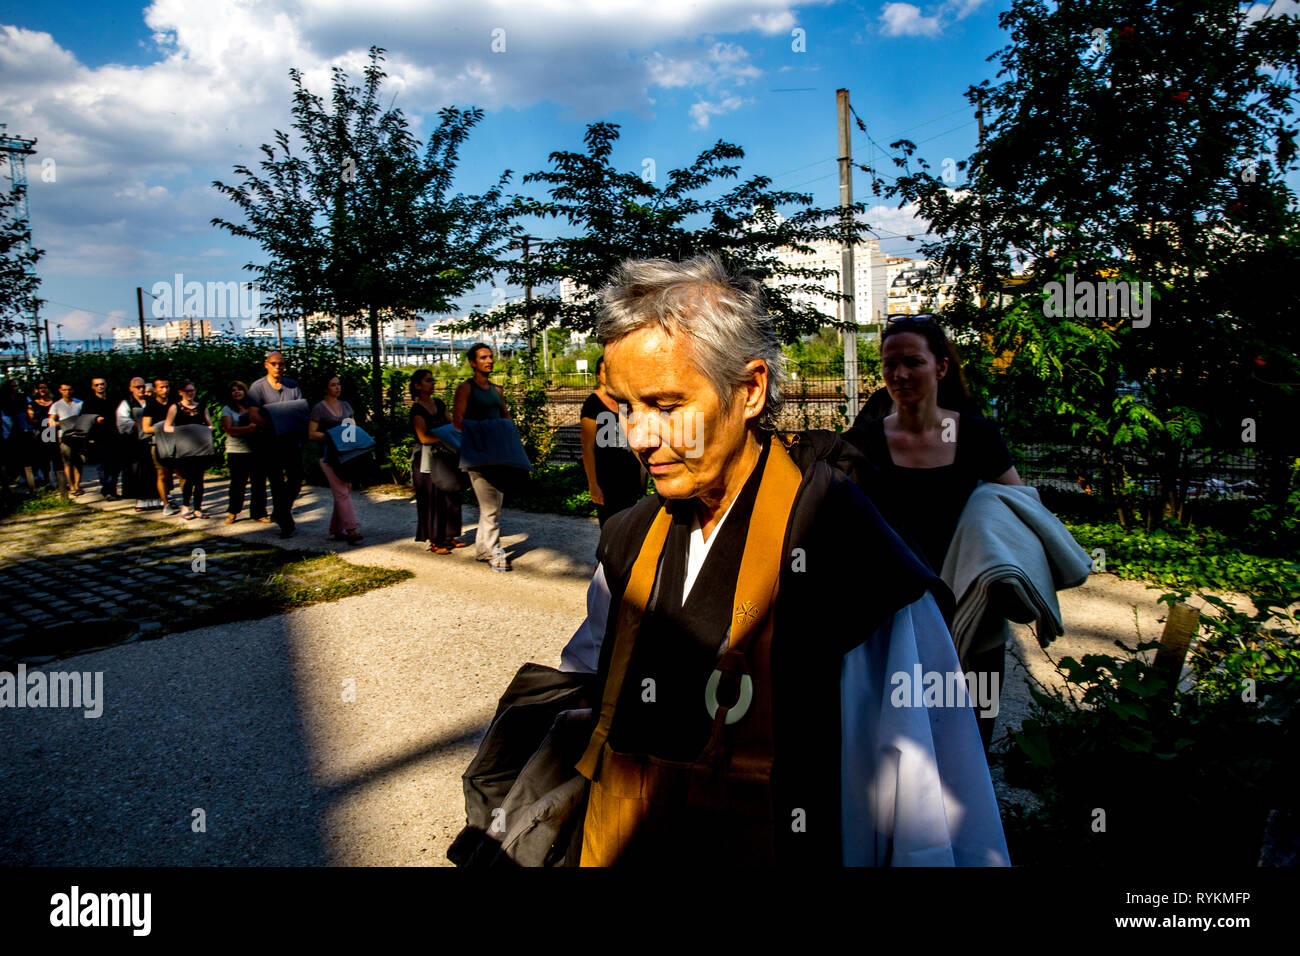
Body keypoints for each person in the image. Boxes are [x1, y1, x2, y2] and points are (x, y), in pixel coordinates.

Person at [555, 255, 1008, 867]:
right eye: (626, 408)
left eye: (665, 405)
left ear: (749, 390)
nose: (637, 437)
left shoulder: (846, 547)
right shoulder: (631, 537)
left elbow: (923, 785)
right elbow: (593, 669)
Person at [842, 314, 1022, 750]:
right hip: (891, 617)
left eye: (913, 362)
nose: (899, 374)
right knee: (898, 748)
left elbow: (1018, 511)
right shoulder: (861, 443)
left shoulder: (977, 436)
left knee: (970, 743)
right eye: (889, 364)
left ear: (941, 367)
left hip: (970, 616)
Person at [453, 343, 512, 571]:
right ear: (472, 363)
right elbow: (458, 422)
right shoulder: (465, 388)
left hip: (498, 453)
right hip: (477, 454)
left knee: (494, 505)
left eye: (490, 357)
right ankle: (494, 552)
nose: (489, 361)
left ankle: (484, 549)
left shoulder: (497, 391)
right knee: (489, 506)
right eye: (484, 357)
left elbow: (506, 418)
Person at [246, 351, 307, 539]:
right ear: (266, 365)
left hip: (290, 441)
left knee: (296, 479)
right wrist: (273, 424)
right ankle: (285, 523)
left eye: (281, 364)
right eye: (273, 363)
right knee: (277, 483)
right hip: (269, 442)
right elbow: (253, 414)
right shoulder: (258, 387)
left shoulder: (292, 385)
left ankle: (280, 510)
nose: (277, 367)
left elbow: (299, 410)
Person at [581, 355, 647, 527]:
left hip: (629, 475)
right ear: (597, 375)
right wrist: (593, 484)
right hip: (606, 478)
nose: (609, 375)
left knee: (629, 527)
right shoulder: (592, 404)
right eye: (604, 371)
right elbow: (587, 447)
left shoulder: (624, 401)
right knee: (610, 528)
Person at [409, 368, 464, 555]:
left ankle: (450, 535)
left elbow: (451, 424)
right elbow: (423, 437)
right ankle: (435, 540)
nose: (432, 383)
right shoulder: (417, 410)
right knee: (431, 499)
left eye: (433, 380)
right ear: (418, 386)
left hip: (445, 456)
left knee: (451, 494)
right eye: (428, 380)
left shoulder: (439, 404)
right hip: (425, 459)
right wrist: (443, 437)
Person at [306, 374, 362, 543]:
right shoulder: (319, 408)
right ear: (326, 388)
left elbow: (353, 427)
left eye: (338, 384)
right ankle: (351, 529)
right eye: (333, 385)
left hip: (345, 453)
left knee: (345, 489)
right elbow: (311, 433)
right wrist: (330, 436)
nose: (337, 388)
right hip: (328, 454)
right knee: (342, 492)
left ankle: (336, 530)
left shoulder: (345, 406)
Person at [163, 379, 213, 519]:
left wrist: (204, 429)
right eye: (187, 391)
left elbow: (210, 425)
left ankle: (198, 508)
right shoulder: (175, 407)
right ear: (181, 393)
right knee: (189, 478)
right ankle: (185, 506)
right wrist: (183, 430)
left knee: (199, 480)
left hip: (200, 447)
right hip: (184, 448)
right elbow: (167, 426)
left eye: (192, 390)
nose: (190, 393)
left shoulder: (201, 407)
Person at [220, 381, 268, 525]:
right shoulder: (227, 409)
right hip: (237, 451)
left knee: (259, 483)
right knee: (237, 484)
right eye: (233, 390)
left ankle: (259, 513)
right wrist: (248, 428)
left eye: (240, 389)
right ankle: (233, 512)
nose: (237, 392)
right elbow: (229, 429)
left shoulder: (254, 408)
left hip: (255, 449)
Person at [115, 377, 156, 511]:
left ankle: (156, 497)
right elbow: (122, 421)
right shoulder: (126, 403)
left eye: (142, 386)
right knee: (138, 471)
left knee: (154, 470)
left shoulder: (151, 401)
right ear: (131, 388)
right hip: (135, 441)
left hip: (152, 439)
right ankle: (141, 498)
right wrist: (138, 426)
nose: (141, 389)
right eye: (137, 387)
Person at [141, 377, 178, 515]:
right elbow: (146, 428)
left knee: (181, 473)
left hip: (176, 442)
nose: (165, 390)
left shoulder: (175, 404)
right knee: (161, 474)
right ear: (155, 390)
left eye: (167, 387)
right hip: (158, 443)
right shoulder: (150, 406)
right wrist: (163, 427)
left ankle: (186, 503)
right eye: (161, 387)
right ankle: (166, 504)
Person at [80, 375, 119, 500]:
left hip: (114, 435)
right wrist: (95, 419)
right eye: (97, 385)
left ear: (106, 385)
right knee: (103, 465)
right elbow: (84, 418)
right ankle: (107, 489)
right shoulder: (89, 402)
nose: (100, 386)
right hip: (98, 437)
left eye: (102, 384)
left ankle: (112, 488)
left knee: (115, 465)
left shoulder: (113, 399)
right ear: (93, 387)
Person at [49, 382, 85, 496]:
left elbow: (86, 417)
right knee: (67, 461)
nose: (67, 392)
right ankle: (71, 486)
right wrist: (62, 423)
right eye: (64, 390)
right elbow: (50, 422)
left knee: (79, 461)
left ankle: (78, 485)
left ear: (72, 390)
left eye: (69, 389)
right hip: (64, 436)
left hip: (79, 435)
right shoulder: (56, 405)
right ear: (60, 391)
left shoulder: (79, 403)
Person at [27, 382, 61, 491]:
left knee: (57, 457)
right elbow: (30, 419)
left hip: (54, 431)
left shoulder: (54, 403)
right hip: (41, 432)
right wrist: (44, 422)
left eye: (45, 388)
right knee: (44, 459)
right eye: (40, 388)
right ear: (36, 390)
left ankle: (61, 482)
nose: (43, 390)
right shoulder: (32, 404)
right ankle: (47, 482)